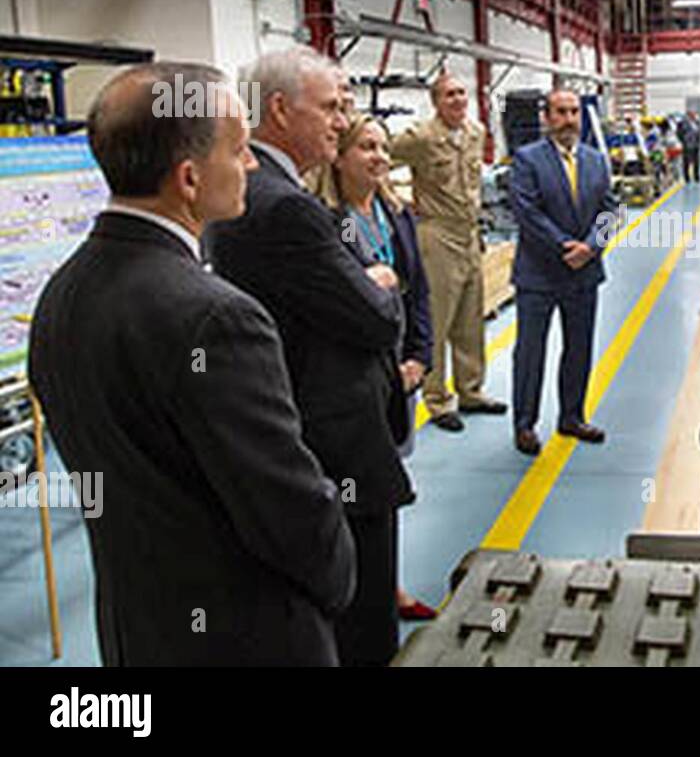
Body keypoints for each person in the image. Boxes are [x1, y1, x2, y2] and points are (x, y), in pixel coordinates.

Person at [29, 63, 356, 666]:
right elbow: (290, 515)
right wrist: (339, 584)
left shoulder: (62, 296)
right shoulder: (218, 321)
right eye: (238, 151)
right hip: (244, 639)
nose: (252, 165)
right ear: (188, 177)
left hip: (139, 631)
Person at [206, 47, 413, 667]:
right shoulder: (289, 207)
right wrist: (381, 285)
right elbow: (373, 321)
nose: (340, 118)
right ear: (279, 110)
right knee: (364, 620)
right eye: (330, 106)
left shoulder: (252, 195)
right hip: (336, 443)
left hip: (298, 435)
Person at [314, 114, 439, 622]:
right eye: (367, 147)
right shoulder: (331, 221)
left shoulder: (395, 212)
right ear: (339, 156)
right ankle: (362, 589)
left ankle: (384, 581)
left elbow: (418, 289)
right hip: (361, 379)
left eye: (384, 147)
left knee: (387, 479)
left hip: (400, 371)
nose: (381, 157)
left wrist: (420, 357)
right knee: (361, 490)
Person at [389, 72, 506, 432]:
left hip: (469, 233)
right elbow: (379, 157)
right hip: (437, 235)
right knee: (438, 319)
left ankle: (470, 391)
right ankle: (437, 400)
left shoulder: (475, 133)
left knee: (470, 318)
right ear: (435, 102)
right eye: (449, 95)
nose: (457, 100)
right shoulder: (421, 137)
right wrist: (392, 199)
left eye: (461, 93)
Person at [509, 88, 618, 456]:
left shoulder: (595, 160)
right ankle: (524, 424)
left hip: (583, 274)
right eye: (561, 112)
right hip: (538, 275)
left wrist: (591, 246)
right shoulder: (527, 160)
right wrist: (564, 247)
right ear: (546, 117)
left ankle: (572, 416)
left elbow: (610, 210)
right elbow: (527, 212)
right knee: (530, 352)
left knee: (579, 348)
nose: (569, 118)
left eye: (574, 112)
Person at [677, 112, 700, 183]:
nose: (694, 115)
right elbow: (679, 133)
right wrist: (684, 140)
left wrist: (698, 141)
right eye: (692, 114)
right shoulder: (683, 123)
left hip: (695, 145)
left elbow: (698, 133)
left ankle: (696, 176)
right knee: (686, 161)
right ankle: (686, 177)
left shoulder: (697, 122)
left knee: (696, 161)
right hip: (687, 144)